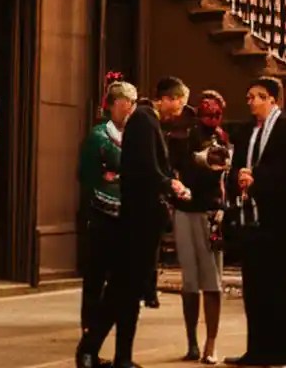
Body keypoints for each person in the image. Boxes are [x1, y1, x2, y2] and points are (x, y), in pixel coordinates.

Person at [77, 77, 191, 368]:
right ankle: (90, 350)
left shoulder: (145, 121)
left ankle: (120, 356)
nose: (180, 109)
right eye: (180, 102)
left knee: (128, 292)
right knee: (122, 289)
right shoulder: (143, 120)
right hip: (137, 221)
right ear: (168, 98)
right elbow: (144, 168)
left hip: (143, 220)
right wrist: (172, 185)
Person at [225, 77, 286, 368]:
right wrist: (238, 177)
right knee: (255, 289)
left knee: (282, 290)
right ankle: (257, 350)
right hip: (251, 220)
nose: (250, 101)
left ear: (272, 100)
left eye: (257, 96)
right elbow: (237, 164)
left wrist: (258, 179)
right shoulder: (247, 132)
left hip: (282, 221)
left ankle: (284, 352)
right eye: (249, 96)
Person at [171, 91, 231, 364]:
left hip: (210, 210)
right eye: (207, 111)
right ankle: (192, 342)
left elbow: (223, 169)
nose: (211, 116)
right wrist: (198, 158)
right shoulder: (183, 136)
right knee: (190, 282)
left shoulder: (223, 137)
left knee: (212, 281)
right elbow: (177, 165)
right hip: (187, 209)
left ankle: (210, 343)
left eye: (216, 112)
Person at [78, 81, 137, 332]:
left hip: (125, 213)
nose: (131, 109)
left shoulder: (134, 134)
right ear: (115, 104)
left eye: (133, 103)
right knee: (96, 275)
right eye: (128, 103)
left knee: (119, 278)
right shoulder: (100, 135)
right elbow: (88, 174)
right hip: (101, 213)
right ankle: (90, 328)